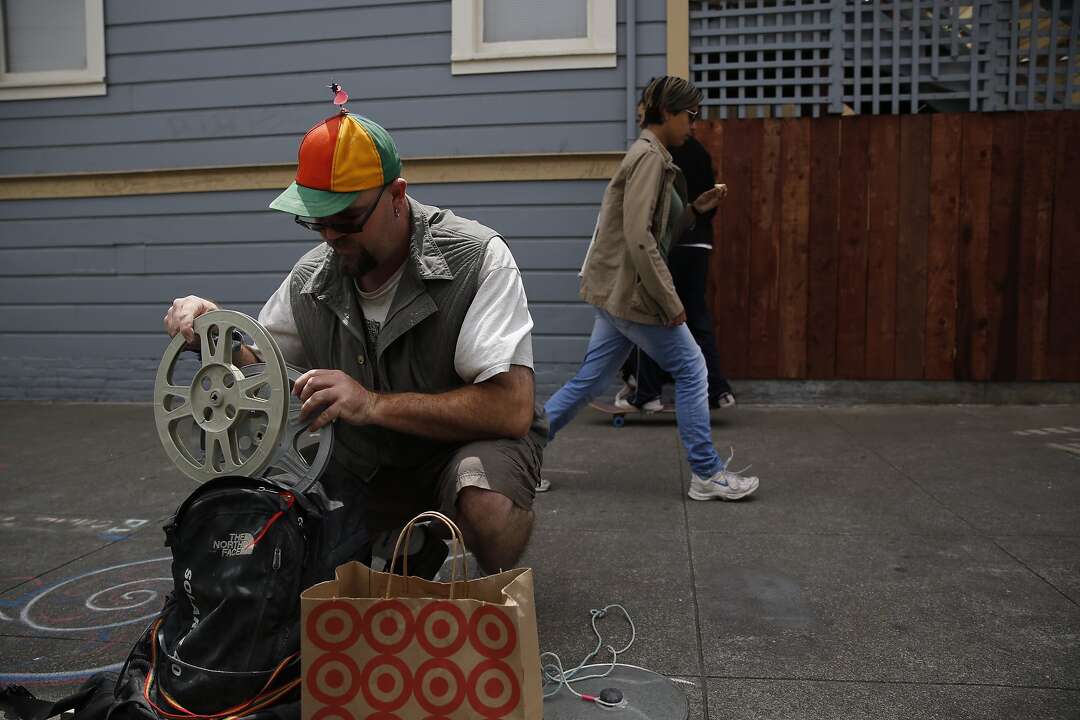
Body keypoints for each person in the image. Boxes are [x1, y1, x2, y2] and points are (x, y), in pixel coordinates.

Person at [164, 105, 546, 575]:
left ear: (396, 196)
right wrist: (211, 337)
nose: (330, 237)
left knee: (484, 501)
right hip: (369, 462)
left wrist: (371, 405)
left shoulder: (478, 258)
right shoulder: (311, 277)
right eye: (315, 221)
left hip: (462, 450)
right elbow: (263, 375)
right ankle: (403, 539)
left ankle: (493, 579)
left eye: (344, 219)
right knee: (293, 523)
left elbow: (510, 408)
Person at [543, 76, 759, 501]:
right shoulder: (650, 159)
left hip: (617, 292)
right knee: (694, 370)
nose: (693, 125)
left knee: (590, 380)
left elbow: (654, 230)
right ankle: (706, 473)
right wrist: (670, 301)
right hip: (632, 295)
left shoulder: (654, 156)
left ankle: (519, 456)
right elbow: (640, 238)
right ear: (670, 114)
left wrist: (696, 208)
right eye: (691, 116)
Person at [616, 132, 736, 412]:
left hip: (672, 243)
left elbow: (657, 211)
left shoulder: (660, 155)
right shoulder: (700, 152)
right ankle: (718, 390)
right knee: (697, 316)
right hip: (700, 242)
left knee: (652, 314)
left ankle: (647, 392)